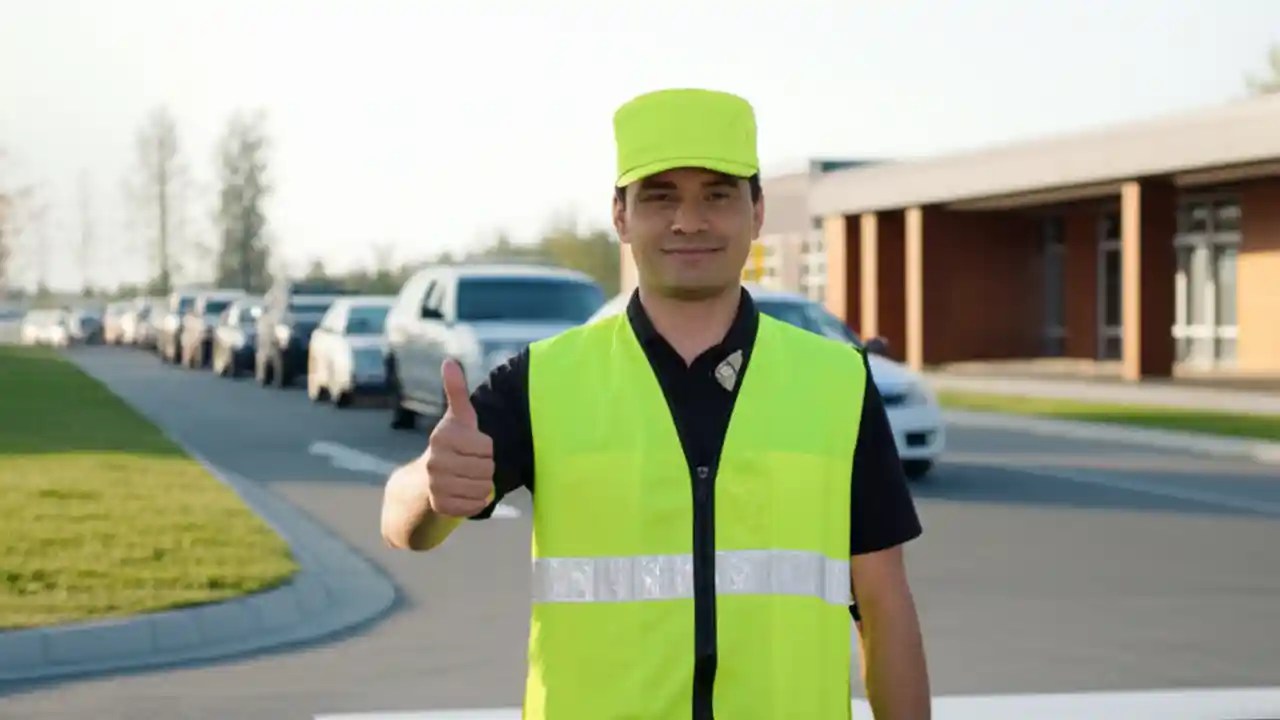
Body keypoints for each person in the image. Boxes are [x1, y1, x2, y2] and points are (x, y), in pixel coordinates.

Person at [381, 87, 931, 720]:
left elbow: (885, 606)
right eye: (661, 195)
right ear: (620, 216)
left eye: (717, 196)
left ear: (757, 213)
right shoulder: (544, 380)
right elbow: (405, 527)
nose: (688, 221)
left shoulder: (836, 381)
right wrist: (429, 483)